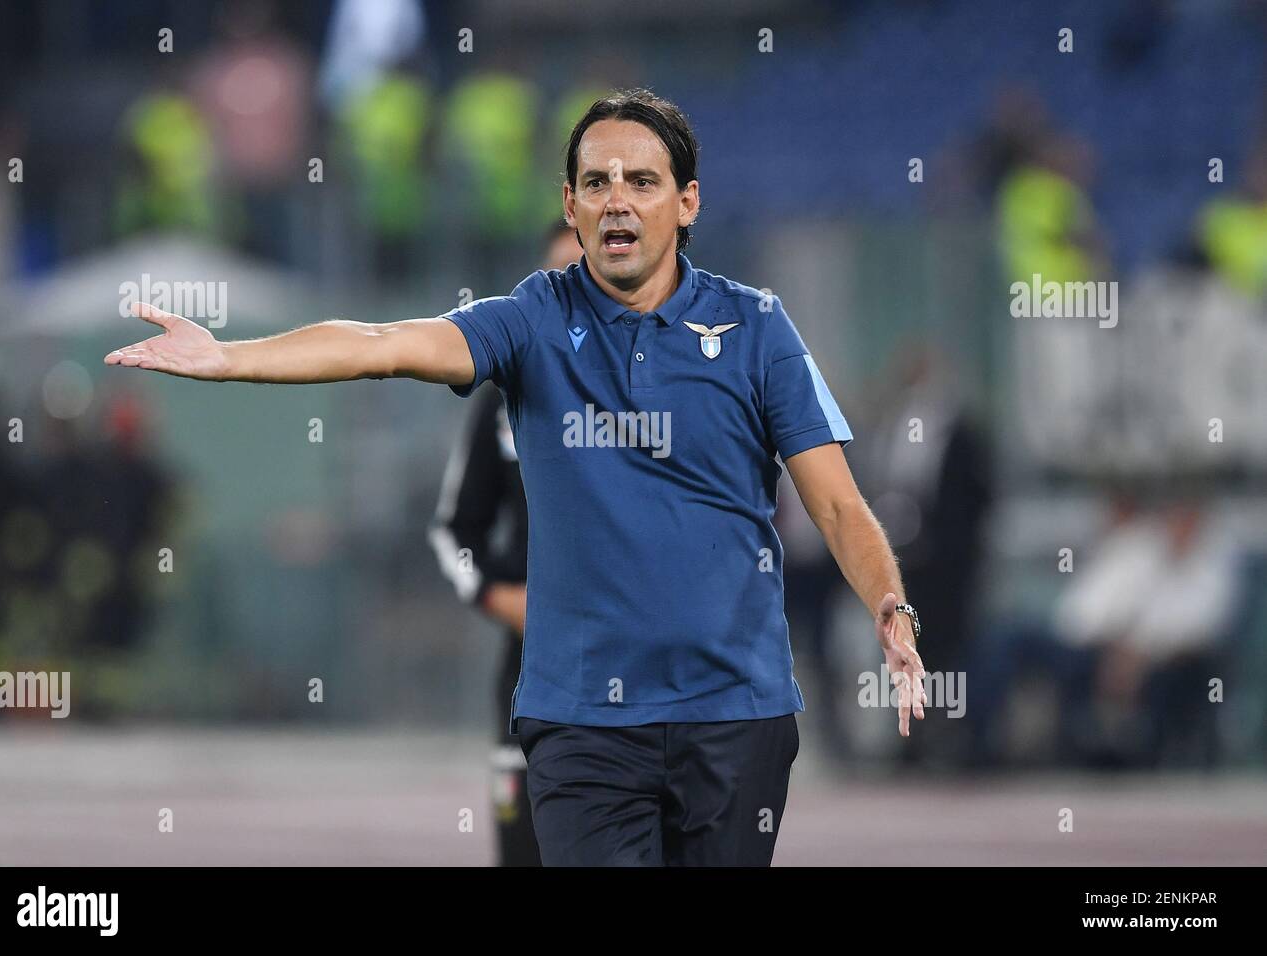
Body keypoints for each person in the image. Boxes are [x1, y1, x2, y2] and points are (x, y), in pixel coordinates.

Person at [105, 88, 927, 867]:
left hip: (735, 715)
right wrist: (228, 358)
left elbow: (836, 503)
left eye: (643, 181)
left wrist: (889, 604)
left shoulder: (759, 328)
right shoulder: (534, 320)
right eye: (596, 182)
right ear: (569, 205)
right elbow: (381, 342)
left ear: (688, 202)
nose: (618, 200)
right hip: (581, 724)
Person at [428, 222, 582, 866]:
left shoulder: (671, 386)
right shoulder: (503, 393)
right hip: (531, 675)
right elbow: (452, 529)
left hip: (645, 679)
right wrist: (496, 593)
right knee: (523, 850)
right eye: (558, 279)